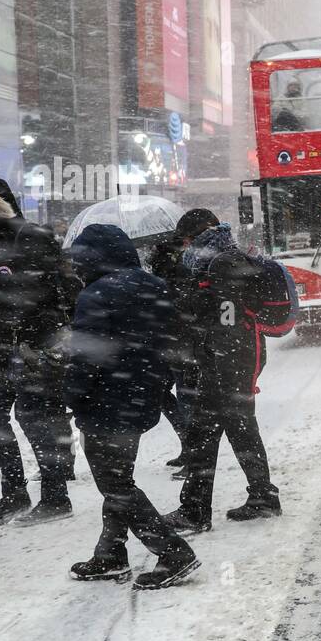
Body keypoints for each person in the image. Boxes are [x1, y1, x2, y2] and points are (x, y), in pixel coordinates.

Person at [64, 224, 200, 590]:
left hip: (104, 402)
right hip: (141, 398)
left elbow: (86, 357)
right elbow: (172, 341)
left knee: (115, 484)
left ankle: (173, 553)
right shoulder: (155, 286)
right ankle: (110, 554)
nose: (77, 266)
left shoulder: (95, 294)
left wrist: (71, 395)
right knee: (119, 478)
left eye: (81, 259)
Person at [0, 176, 77, 525]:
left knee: (35, 418)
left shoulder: (32, 235)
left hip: (33, 343)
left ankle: (55, 497)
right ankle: (14, 495)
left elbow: (39, 291)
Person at [166, 222, 281, 534]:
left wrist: (195, 307)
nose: (186, 246)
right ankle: (262, 496)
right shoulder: (222, 261)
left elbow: (227, 316)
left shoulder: (224, 265)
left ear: (199, 234)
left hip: (227, 363)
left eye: (187, 239)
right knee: (240, 429)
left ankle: (195, 511)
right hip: (231, 361)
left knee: (205, 435)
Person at [149, 208, 221, 470]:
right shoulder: (167, 256)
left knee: (186, 395)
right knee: (171, 394)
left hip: (184, 336)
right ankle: (189, 446)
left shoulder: (187, 258)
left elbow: (181, 295)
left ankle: (194, 455)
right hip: (174, 336)